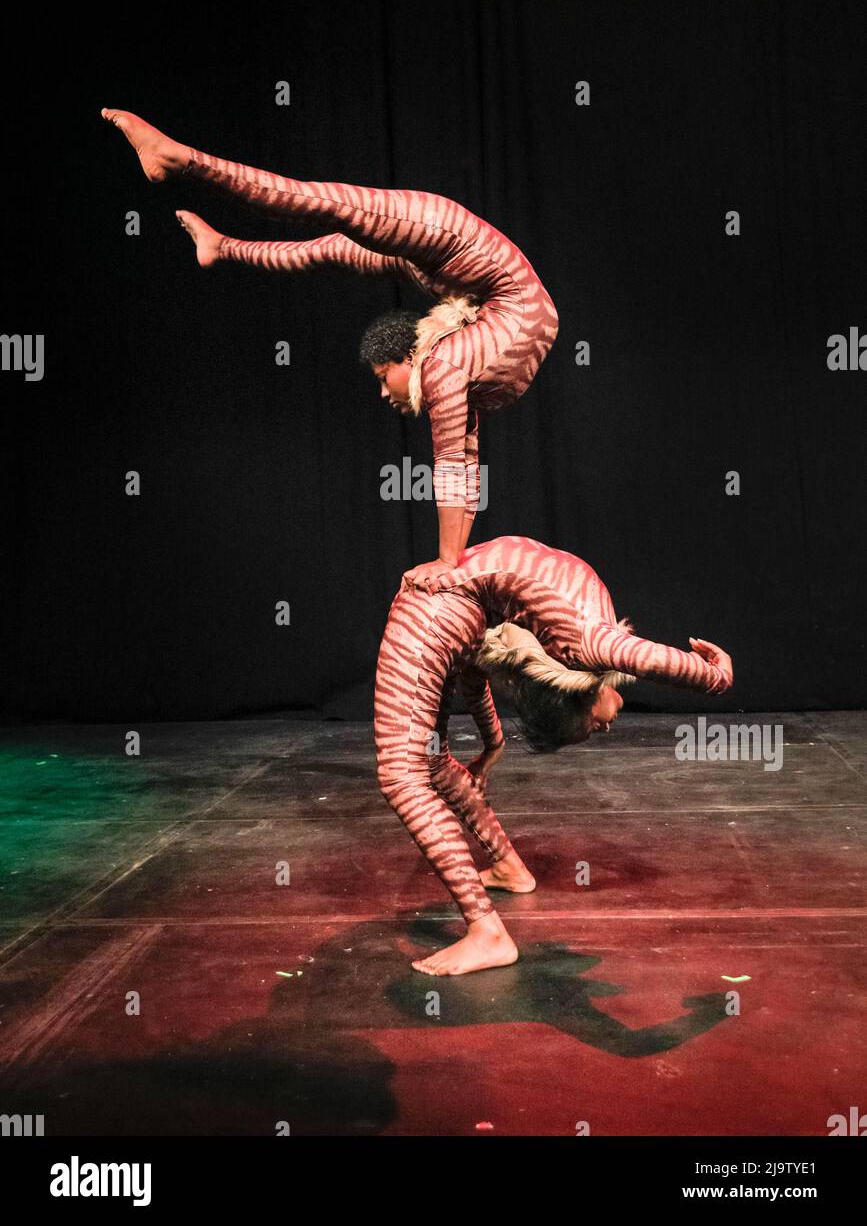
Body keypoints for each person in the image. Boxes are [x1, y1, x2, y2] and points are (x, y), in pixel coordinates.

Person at [101, 109, 559, 589]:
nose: (384, 394)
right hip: (451, 242)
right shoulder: (455, 357)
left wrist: (450, 562)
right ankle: (185, 166)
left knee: (328, 230)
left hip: (463, 269)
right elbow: (456, 460)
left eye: (382, 379)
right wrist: (450, 561)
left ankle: (213, 226)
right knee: (325, 211)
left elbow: (461, 459)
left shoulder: (456, 358)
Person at [375, 535, 733, 975]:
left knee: (408, 771)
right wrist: (717, 677)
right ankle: (500, 900)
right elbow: (655, 661)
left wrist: (493, 744)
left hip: (438, 610)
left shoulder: (558, 639)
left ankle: (495, 911)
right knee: (412, 771)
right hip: (438, 606)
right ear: (581, 691)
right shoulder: (589, 646)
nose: (606, 725)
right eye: (596, 726)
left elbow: (474, 669)